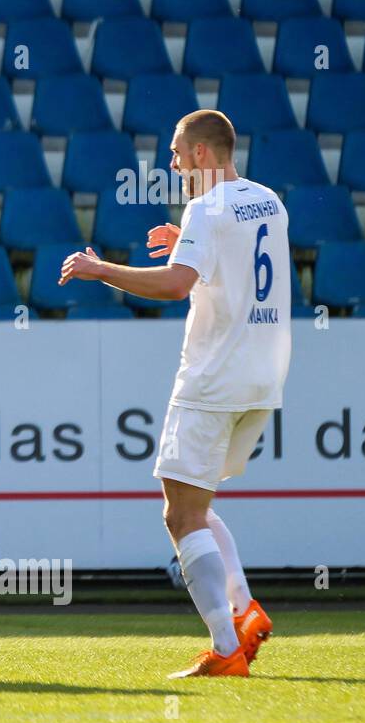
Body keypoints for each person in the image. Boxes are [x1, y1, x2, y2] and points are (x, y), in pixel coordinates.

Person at [58, 109, 288, 678]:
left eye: (177, 153)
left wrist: (99, 269)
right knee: (197, 500)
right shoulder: (268, 200)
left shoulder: (205, 208)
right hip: (264, 376)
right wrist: (186, 242)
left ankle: (226, 648)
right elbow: (236, 264)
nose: (173, 163)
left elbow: (172, 287)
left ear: (203, 154)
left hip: (215, 376)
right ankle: (245, 611)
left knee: (180, 513)